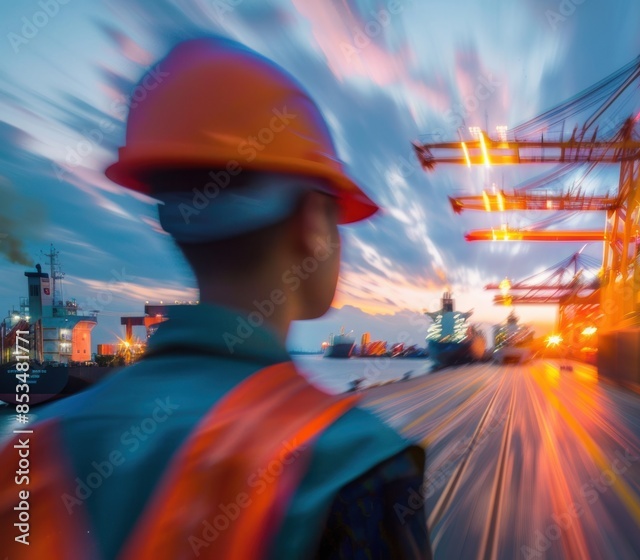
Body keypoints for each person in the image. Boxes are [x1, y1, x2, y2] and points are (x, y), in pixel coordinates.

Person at [0, 38, 431, 559]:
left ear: (174, 217)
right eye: (337, 219)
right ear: (314, 224)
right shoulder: (353, 460)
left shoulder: (29, 448)